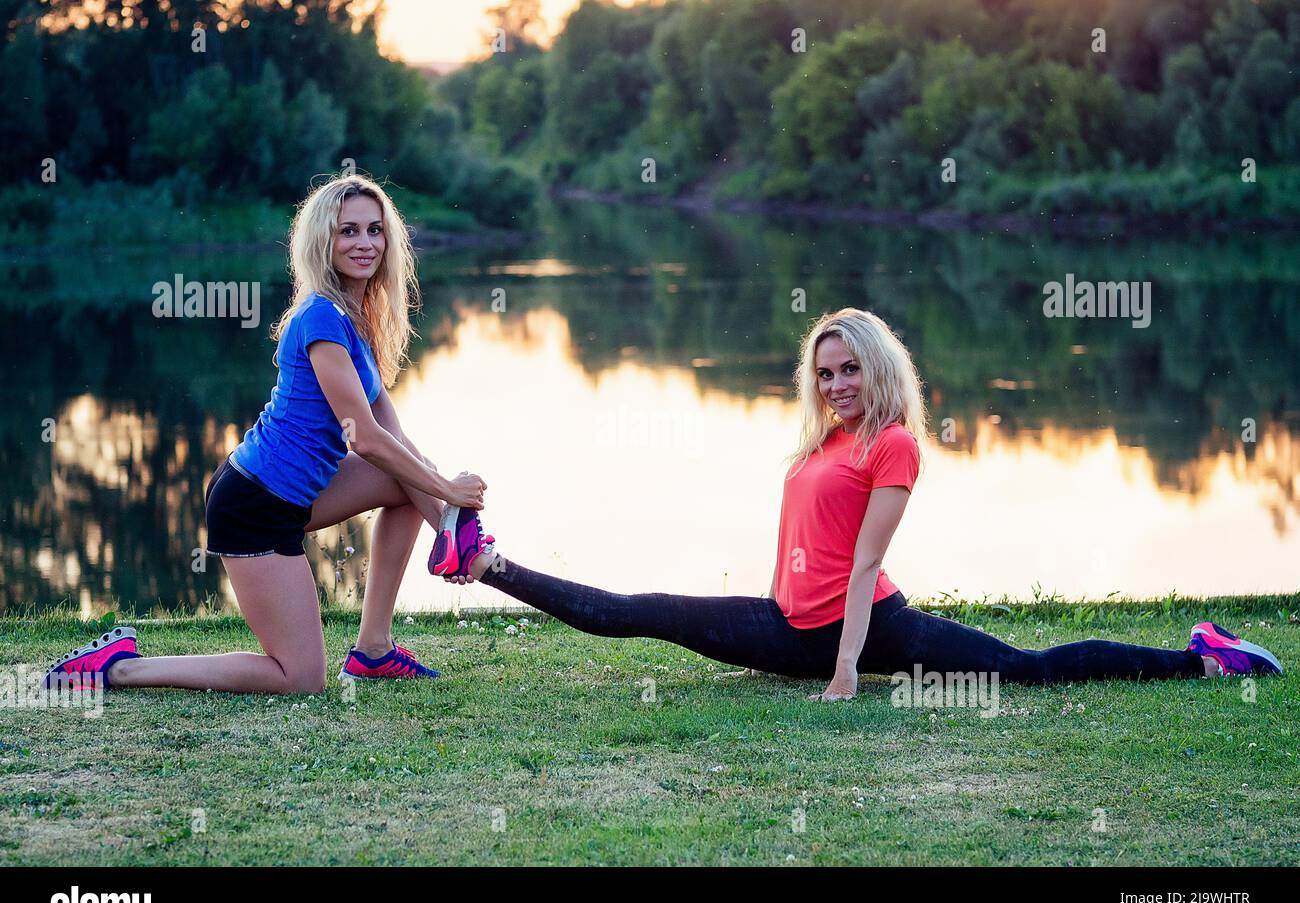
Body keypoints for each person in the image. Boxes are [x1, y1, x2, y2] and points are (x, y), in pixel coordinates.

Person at [436, 308, 1283, 701]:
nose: (837, 384)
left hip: (875, 629)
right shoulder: (822, 441)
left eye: (850, 370)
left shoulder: (893, 446)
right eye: (825, 371)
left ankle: (1196, 656)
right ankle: (486, 561)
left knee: (1027, 670)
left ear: (879, 369)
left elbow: (865, 562)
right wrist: (768, 621)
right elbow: (798, 537)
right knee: (640, 610)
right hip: (789, 624)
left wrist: (845, 672)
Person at [44, 175, 492, 694]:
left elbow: (396, 441)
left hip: (293, 492)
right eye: (348, 231)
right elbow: (363, 439)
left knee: (405, 478)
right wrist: (450, 492)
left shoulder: (358, 319)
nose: (365, 243)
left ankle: (373, 650)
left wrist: (450, 530)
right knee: (300, 678)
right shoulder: (321, 318)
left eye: (375, 230)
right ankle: (118, 668)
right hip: (253, 504)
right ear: (323, 240)